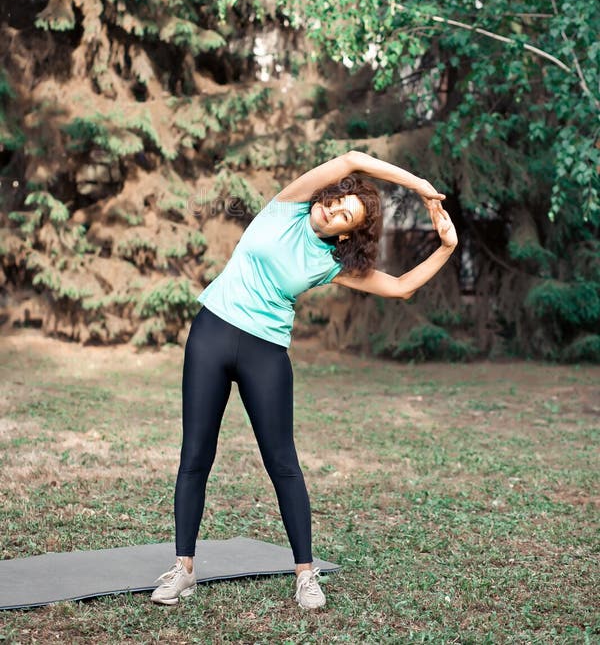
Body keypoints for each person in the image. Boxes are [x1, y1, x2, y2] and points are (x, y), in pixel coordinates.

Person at [151, 149, 457, 609]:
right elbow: (353, 158)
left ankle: (305, 575)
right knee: (195, 455)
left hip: (266, 353)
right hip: (211, 334)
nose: (334, 209)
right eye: (339, 200)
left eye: (345, 216)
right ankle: (183, 570)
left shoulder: (331, 263)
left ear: (347, 233)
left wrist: (448, 246)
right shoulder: (287, 205)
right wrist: (419, 186)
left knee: (283, 463)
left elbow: (401, 287)